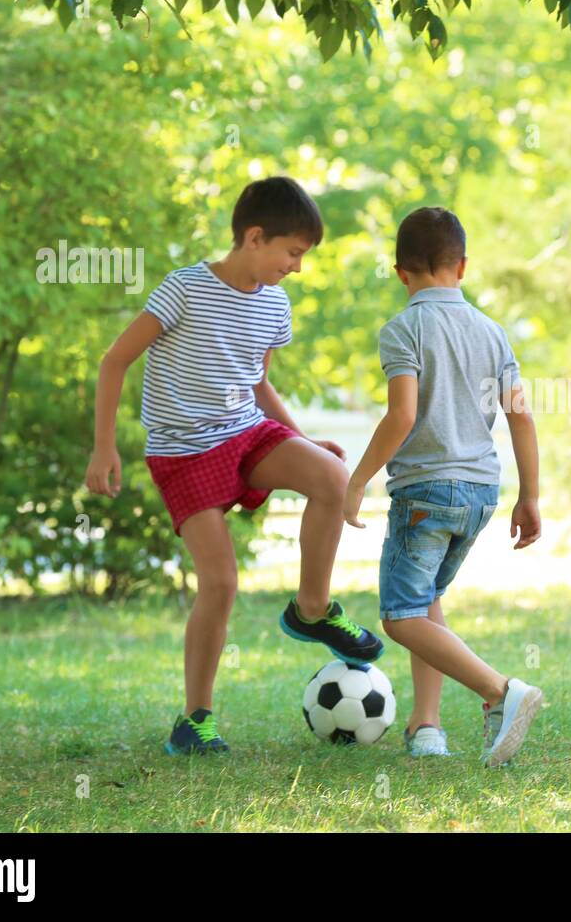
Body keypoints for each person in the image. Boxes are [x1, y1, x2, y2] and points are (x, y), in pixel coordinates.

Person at [85, 176, 383, 755]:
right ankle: (196, 720)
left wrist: (304, 443)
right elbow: (114, 360)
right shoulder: (185, 289)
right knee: (220, 585)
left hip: (245, 432)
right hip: (184, 449)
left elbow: (259, 383)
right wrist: (104, 447)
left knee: (331, 478)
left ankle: (312, 609)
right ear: (254, 237)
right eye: (292, 252)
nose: (297, 267)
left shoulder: (274, 303)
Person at [342, 206, 544, 766]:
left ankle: (501, 692)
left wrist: (357, 481)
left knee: (400, 615)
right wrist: (530, 495)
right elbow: (521, 416)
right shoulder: (491, 331)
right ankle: (426, 727)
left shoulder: (403, 329)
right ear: (463, 266)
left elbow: (401, 416)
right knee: (426, 599)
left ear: (401, 272)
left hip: (425, 495)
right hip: (481, 494)